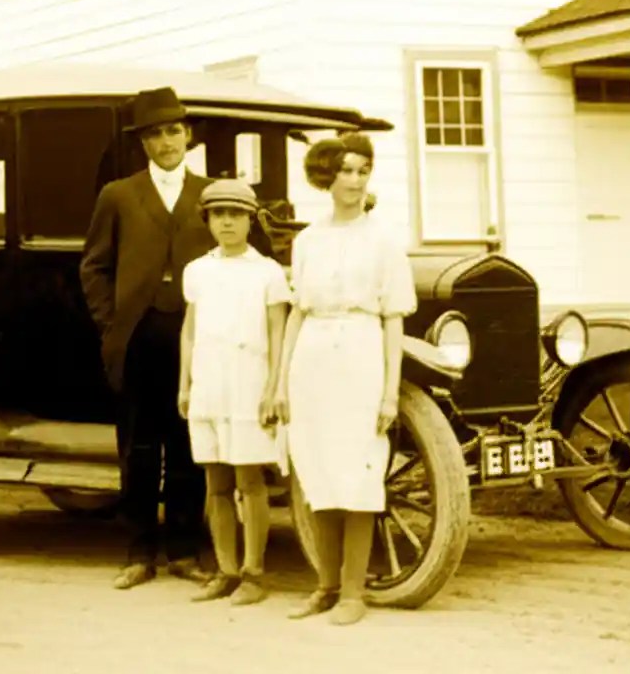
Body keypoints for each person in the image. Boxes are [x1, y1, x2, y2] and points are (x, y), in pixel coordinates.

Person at [275, 132, 417, 626]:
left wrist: (389, 392)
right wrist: (279, 382)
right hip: (312, 357)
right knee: (318, 472)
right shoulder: (309, 240)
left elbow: (393, 318)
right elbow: (296, 312)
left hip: (360, 352)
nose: (354, 180)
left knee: (358, 475)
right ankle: (325, 585)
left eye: (362, 170)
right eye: (345, 170)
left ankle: (353, 592)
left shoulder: (382, 242)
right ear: (326, 177)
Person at [79, 86, 216, 589]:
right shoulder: (118, 194)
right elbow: (93, 266)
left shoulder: (211, 195)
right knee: (138, 446)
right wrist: (111, 323)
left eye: (173, 130)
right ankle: (138, 552)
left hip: (196, 335)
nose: (166, 141)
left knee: (187, 443)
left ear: (188, 135)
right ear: (143, 142)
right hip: (137, 336)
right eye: (155, 133)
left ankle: (184, 552)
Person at [178, 179, 291, 605]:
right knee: (216, 482)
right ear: (207, 220)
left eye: (236, 214)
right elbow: (189, 331)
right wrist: (184, 384)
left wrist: (273, 385)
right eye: (219, 215)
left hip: (249, 383)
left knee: (249, 481)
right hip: (210, 383)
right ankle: (225, 569)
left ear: (250, 220)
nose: (227, 222)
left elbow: (279, 332)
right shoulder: (198, 270)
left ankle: (254, 573)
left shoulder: (266, 273)